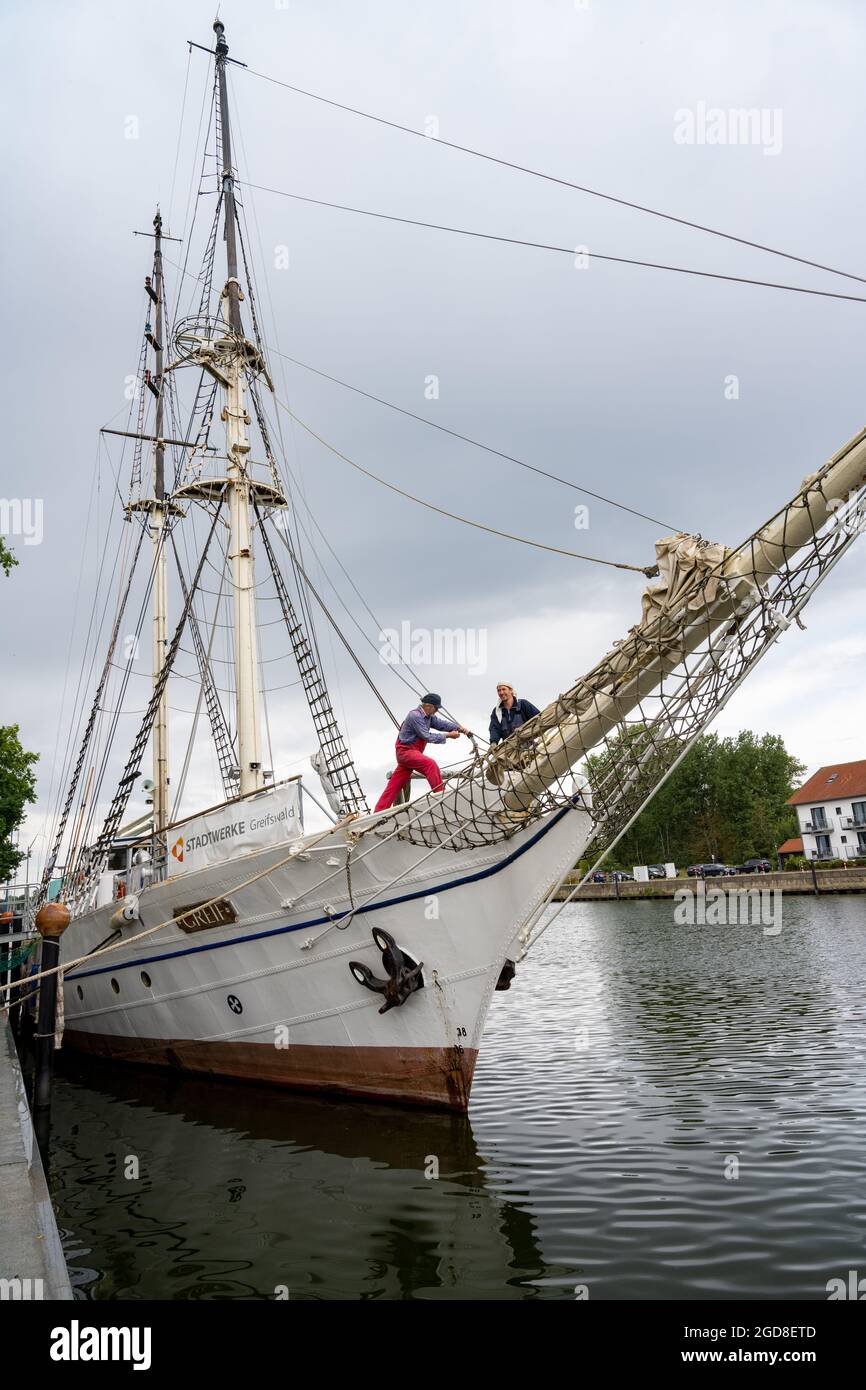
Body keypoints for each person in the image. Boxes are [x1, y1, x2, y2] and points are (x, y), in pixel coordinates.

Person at [374, 694, 471, 812]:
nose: (436, 711)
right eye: (436, 708)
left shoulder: (429, 716)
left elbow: (442, 724)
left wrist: (460, 728)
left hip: (410, 754)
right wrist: (448, 735)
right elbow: (426, 736)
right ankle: (442, 797)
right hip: (406, 752)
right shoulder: (415, 716)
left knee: (395, 784)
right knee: (430, 764)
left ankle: (378, 811)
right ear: (428, 706)